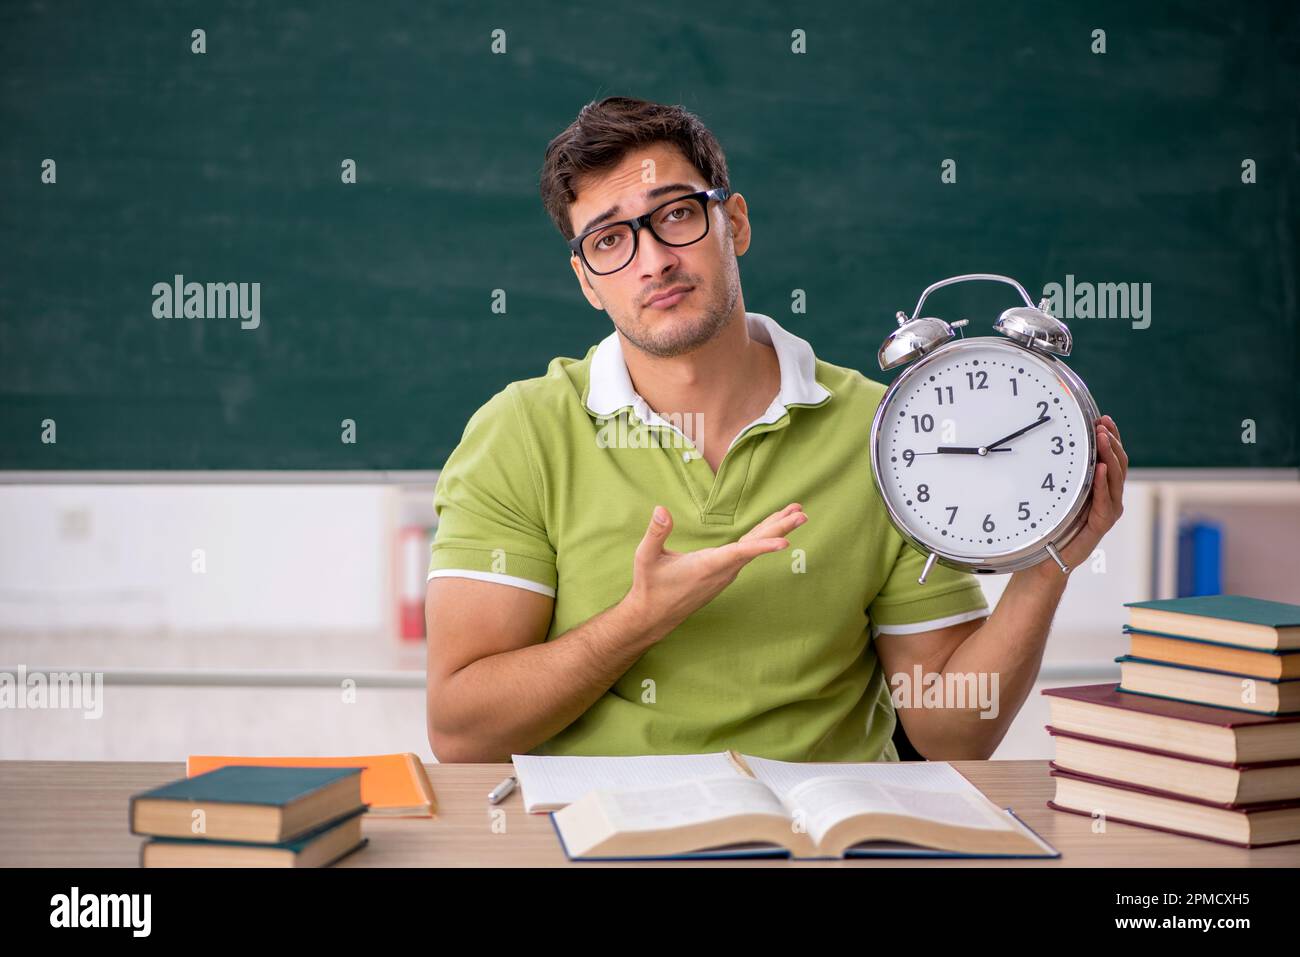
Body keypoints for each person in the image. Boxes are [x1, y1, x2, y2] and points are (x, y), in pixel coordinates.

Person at [424, 96, 1128, 763]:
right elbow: (461, 731)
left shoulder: (884, 434)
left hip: (829, 838)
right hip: (602, 839)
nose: (654, 259)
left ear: (735, 222)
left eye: (675, 215)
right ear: (586, 279)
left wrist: (1046, 567)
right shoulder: (520, 432)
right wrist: (639, 618)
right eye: (610, 239)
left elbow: (949, 734)